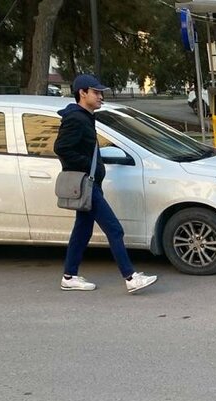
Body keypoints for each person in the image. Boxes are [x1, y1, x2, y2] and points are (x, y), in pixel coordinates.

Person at [54, 73, 157, 293]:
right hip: (87, 184)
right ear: (82, 93)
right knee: (114, 229)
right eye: (96, 92)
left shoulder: (85, 116)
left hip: (90, 184)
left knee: (82, 231)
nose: (101, 96)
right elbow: (62, 148)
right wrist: (88, 166)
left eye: (101, 92)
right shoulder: (75, 118)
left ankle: (69, 276)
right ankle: (130, 278)